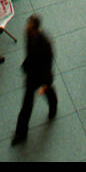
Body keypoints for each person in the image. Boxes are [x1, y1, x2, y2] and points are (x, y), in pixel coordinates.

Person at [12, 15, 58, 145]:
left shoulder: (45, 42)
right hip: (32, 75)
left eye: (29, 26)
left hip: (42, 76)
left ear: (35, 28)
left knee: (48, 92)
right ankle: (21, 133)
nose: (26, 27)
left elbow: (47, 64)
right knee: (27, 105)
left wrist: (45, 83)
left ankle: (53, 105)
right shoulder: (28, 34)